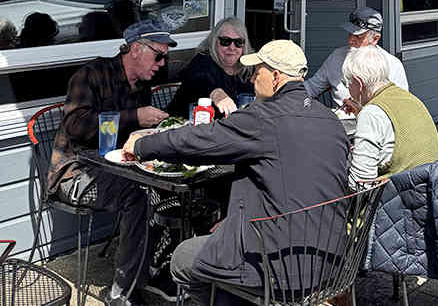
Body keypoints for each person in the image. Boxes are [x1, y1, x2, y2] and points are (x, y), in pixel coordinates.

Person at [123, 39, 350, 305]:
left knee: (183, 258)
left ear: (276, 77)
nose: (252, 78)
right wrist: (237, 220)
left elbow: (201, 140)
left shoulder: (264, 117)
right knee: (220, 237)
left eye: (257, 71)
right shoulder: (330, 120)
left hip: (280, 267)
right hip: (333, 262)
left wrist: (142, 145)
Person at [48, 20, 175, 306]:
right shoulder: (91, 74)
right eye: (158, 56)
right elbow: (76, 125)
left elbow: (132, 137)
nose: (162, 64)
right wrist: (134, 117)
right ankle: (122, 292)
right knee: (140, 195)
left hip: (118, 168)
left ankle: (153, 269)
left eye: (165, 58)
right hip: (74, 172)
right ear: (135, 49)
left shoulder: (142, 84)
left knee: (171, 187)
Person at [343, 46, 438, 189]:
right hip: (434, 188)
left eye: (348, 83)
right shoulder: (408, 97)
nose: (348, 88)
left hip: (404, 197)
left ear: (359, 83)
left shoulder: (371, 114)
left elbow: (360, 182)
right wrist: (360, 113)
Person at [304, 7, 408, 114]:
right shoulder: (337, 57)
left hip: (376, 122)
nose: (350, 40)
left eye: (358, 36)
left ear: (375, 39)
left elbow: (402, 106)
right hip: (339, 121)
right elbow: (311, 87)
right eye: (350, 33)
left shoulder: (393, 65)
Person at [168, 17, 253, 118]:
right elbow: (199, 78)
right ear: (214, 42)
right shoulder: (203, 59)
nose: (232, 47)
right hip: (182, 122)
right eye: (225, 41)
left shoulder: (248, 67)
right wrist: (216, 93)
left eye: (238, 42)